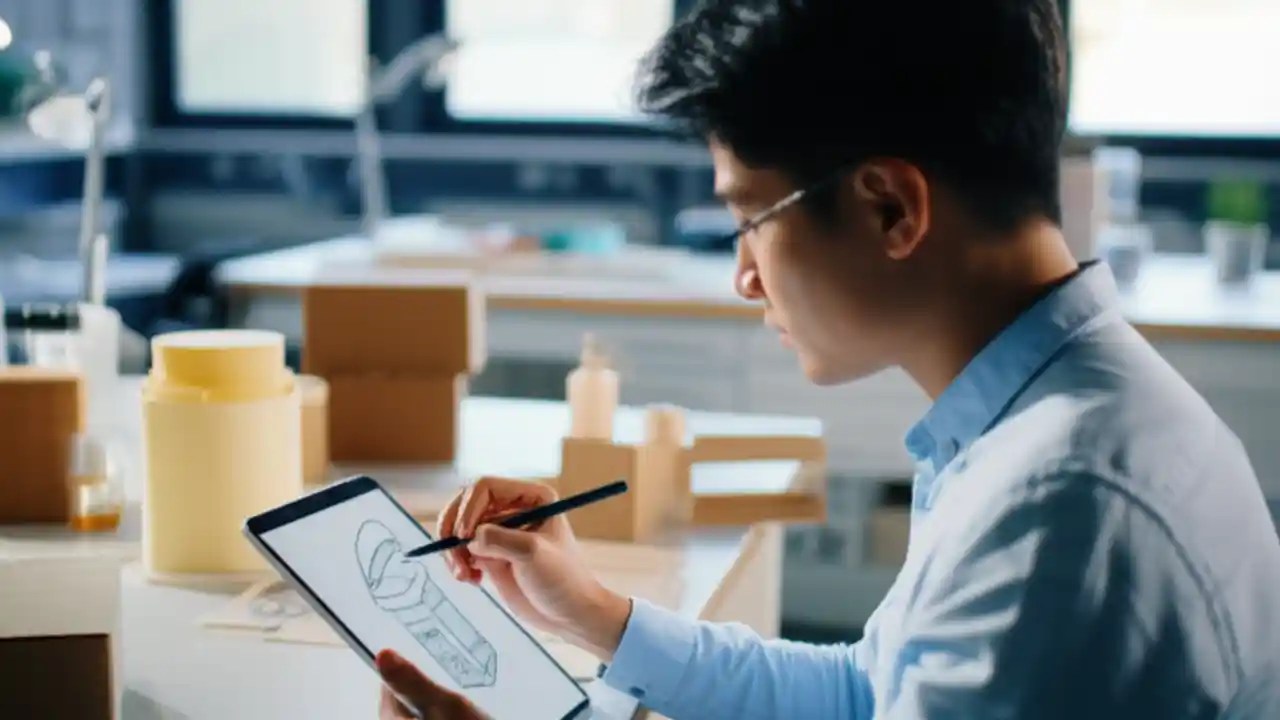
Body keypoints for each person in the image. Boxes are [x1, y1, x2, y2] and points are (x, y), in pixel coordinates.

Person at [375, 1, 1280, 718]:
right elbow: (866, 694)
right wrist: (594, 614)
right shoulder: (1050, 415)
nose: (743, 277)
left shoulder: (1062, 509)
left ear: (890, 207)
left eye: (749, 221)